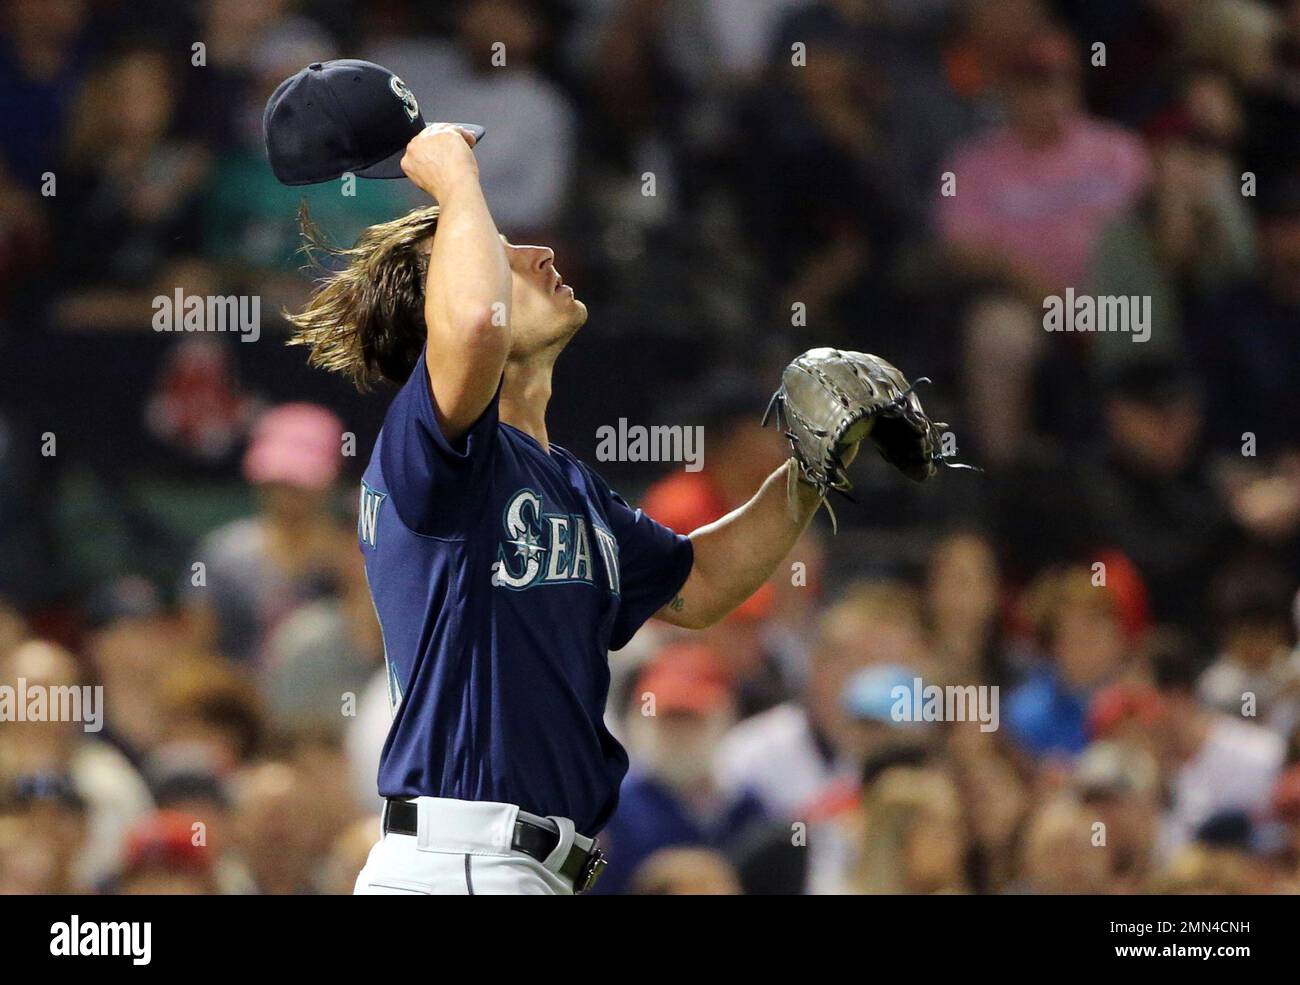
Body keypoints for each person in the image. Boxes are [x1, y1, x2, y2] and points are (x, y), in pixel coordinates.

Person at [278, 65, 923, 894]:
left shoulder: (570, 486)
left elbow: (701, 585)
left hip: (520, 866)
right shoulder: (429, 448)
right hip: (462, 858)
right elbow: (473, 322)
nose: (539, 252)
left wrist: (810, 471)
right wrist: (449, 173)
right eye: (504, 251)